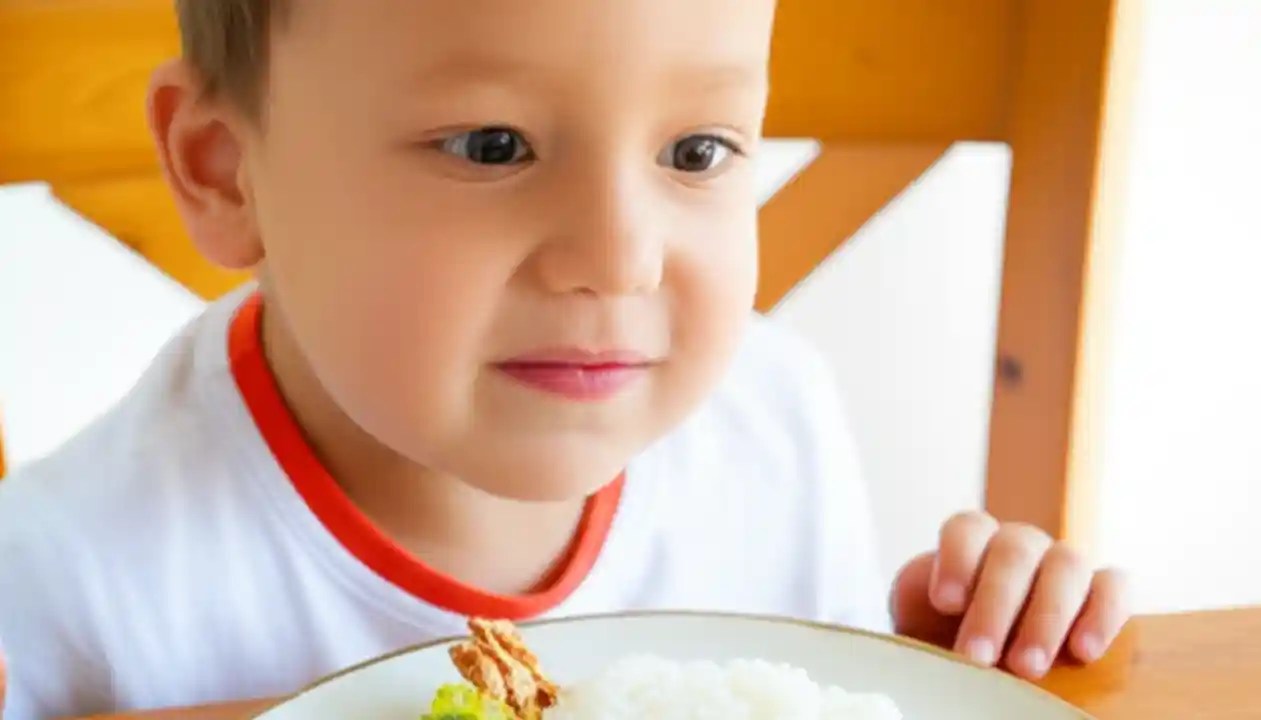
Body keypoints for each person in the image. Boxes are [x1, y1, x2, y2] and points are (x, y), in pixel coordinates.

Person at [0, 0, 1129, 717]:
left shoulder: (774, 430)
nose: (618, 258)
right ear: (223, 170)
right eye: (493, 146)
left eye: (696, 150)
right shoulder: (62, 586)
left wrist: (940, 666)